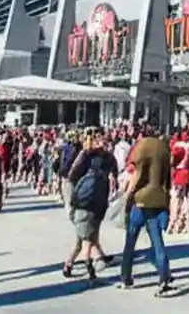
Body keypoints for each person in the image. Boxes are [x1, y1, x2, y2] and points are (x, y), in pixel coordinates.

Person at [118, 125, 174, 296]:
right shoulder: (164, 149)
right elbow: (168, 176)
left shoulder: (140, 147)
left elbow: (136, 174)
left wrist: (128, 196)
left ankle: (126, 277)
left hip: (141, 199)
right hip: (158, 198)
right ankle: (164, 277)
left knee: (131, 240)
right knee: (158, 241)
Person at [64, 132, 117, 283]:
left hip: (94, 201)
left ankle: (69, 264)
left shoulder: (106, 158)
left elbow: (114, 171)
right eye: (99, 140)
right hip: (87, 200)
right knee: (86, 239)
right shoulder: (87, 156)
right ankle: (89, 270)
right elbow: (72, 175)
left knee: (82, 240)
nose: (102, 143)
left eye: (104, 140)